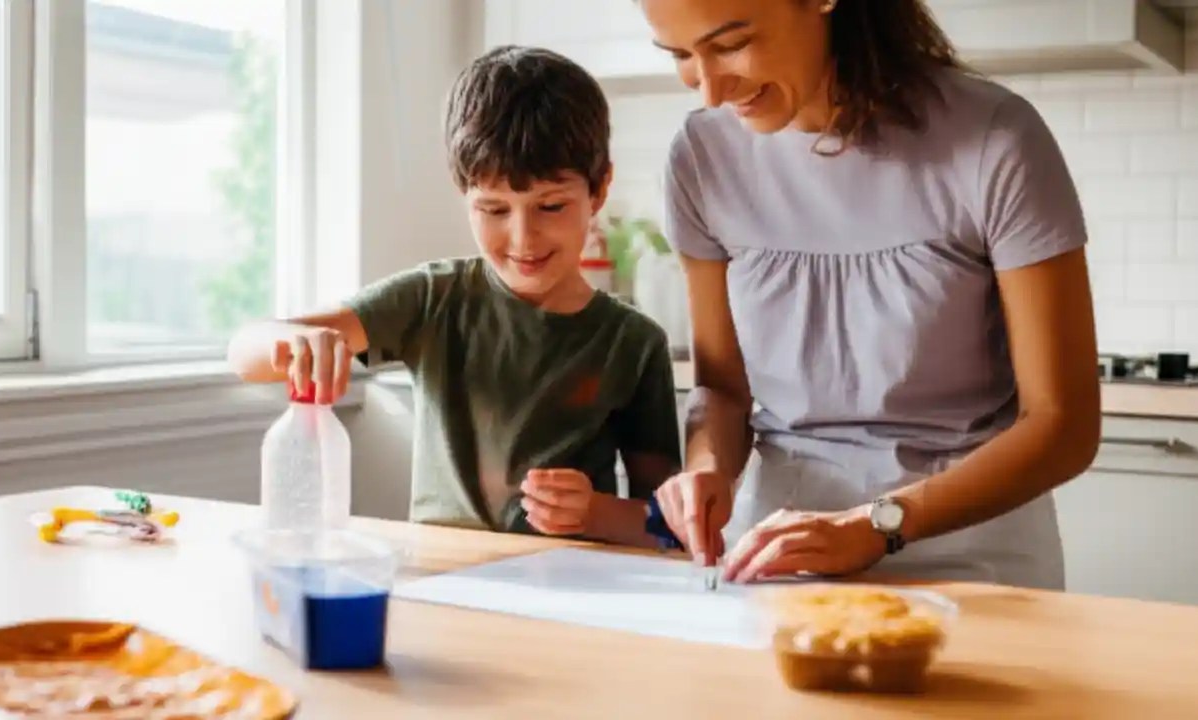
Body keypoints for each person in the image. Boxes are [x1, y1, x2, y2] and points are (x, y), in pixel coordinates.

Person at [640, 0, 1101, 590]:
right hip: (780, 555)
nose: (708, 90)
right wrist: (706, 470)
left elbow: (1064, 426)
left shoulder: (995, 138)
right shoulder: (702, 157)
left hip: (974, 562)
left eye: (730, 45)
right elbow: (724, 392)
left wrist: (876, 525)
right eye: (681, 55)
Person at [227, 46, 683, 547]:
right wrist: (298, 339)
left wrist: (596, 514)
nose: (523, 239)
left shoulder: (635, 343)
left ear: (599, 190)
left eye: (550, 206)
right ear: (463, 192)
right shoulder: (433, 299)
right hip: (440, 574)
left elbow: (666, 525)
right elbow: (245, 354)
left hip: (566, 587)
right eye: (493, 209)